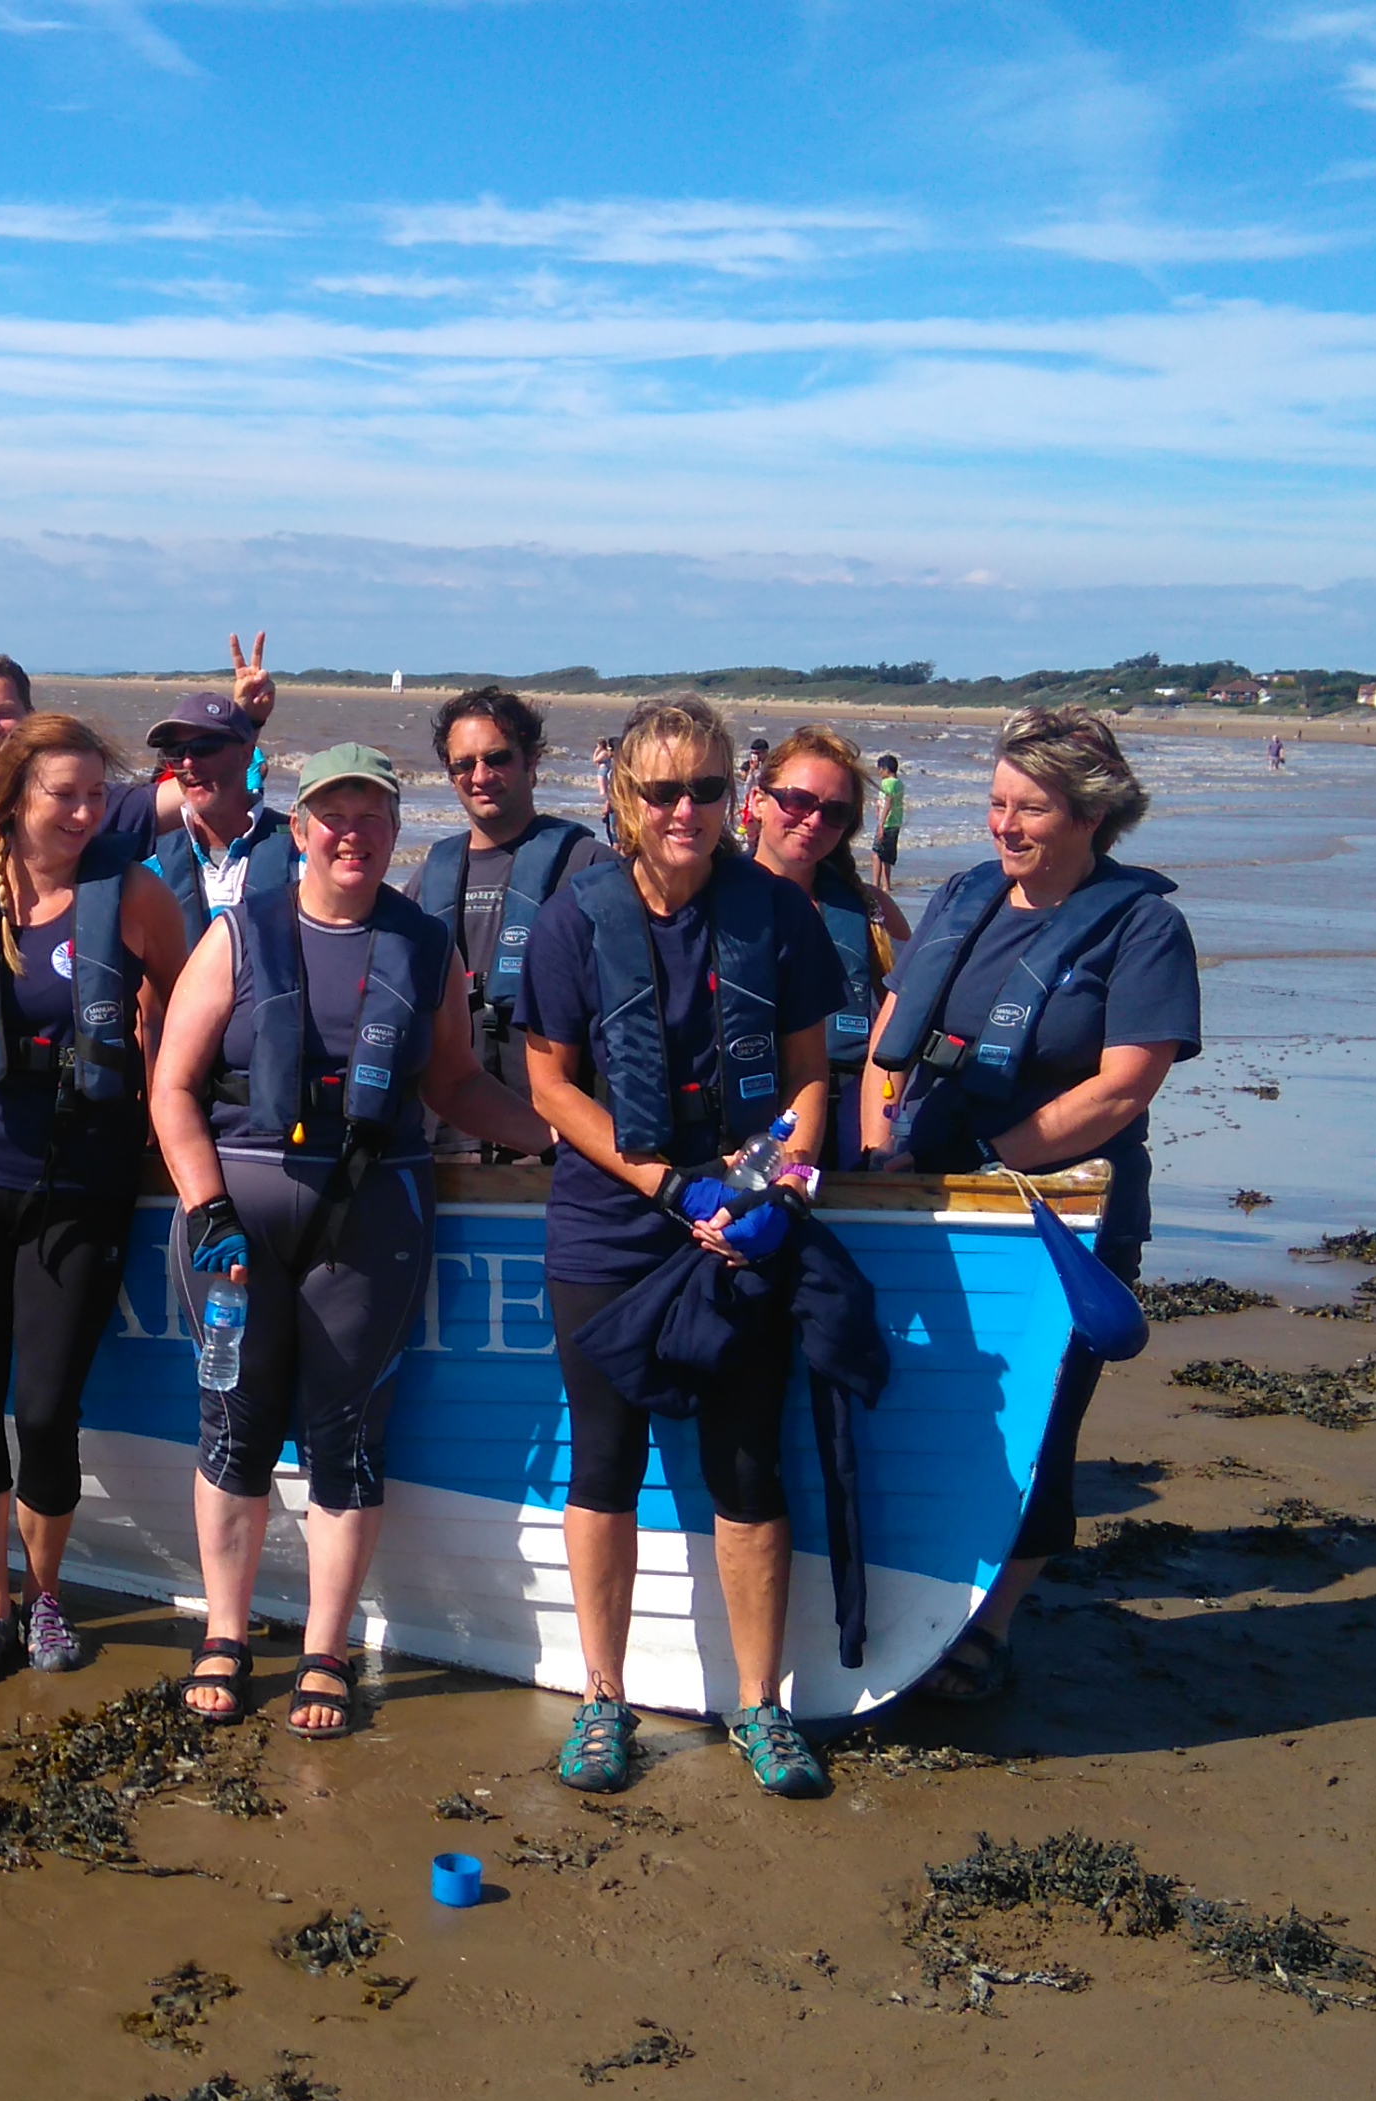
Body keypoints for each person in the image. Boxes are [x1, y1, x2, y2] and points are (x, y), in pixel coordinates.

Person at [150, 744, 552, 1739]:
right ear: (297, 829)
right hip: (232, 1222)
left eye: (370, 814)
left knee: (349, 1439)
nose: (350, 832)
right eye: (331, 813)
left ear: (392, 830)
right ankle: (226, 1633)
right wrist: (206, 1211)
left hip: (370, 1219)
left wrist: (571, 1140)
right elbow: (172, 1088)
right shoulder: (237, 935)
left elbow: (455, 1084)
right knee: (232, 1431)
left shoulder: (424, 947)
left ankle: (325, 1648)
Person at [517, 696, 851, 1800]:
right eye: (661, 790)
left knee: (747, 1464)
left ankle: (759, 1703)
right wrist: (665, 1179)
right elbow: (549, 1083)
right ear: (623, 793)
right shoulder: (575, 919)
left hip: (741, 1221)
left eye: (706, 789)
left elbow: (810, 1075)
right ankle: (602, 1698)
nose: (684, 810)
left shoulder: (778, 916)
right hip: (612, 1221)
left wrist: (781, 1183)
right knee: (602, 1461)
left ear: (733, 794)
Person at [863, 709, 1198, 1703]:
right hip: (920, 1193)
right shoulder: (965, 895)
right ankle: (906, 1595)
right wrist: (880, 1143)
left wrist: (987, 1157)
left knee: (1036, 1423)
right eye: (995, 803)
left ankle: (990, 1625)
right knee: (925, 1403)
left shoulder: (1142, 928)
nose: (1004, 826)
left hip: (1055, 1213)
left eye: (1029, 807)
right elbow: (893, 1022)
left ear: (1089, 812)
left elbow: (1122, 1085)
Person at [0, 715, 190, 1685]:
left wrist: (165, 1121)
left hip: (79, 1184)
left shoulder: (133, 894)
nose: (87, 811)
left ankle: (44, 1591)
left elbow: (187, 1015)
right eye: (65, 794)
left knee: (47, 1405)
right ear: (14, 795)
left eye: (99, 794)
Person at [405, 684, 595, 1138]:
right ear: (449, 776)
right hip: (446, 1145)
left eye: (498, 758)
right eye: (464, 765)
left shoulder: (590, 867)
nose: (481, 775)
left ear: (532, 761)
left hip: (556, 1143)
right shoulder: (429, 875)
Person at [745, 725, 913, 1168]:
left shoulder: (870, 910)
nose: (813, 820)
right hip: (750, 1117)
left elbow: (908, 1025)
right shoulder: (710, 902)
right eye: (798, 801)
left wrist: (888, 1139)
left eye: (834, 812)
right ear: (758, 801)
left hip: (851, 1121)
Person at [0, 653, 166, 881]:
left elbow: (190, 796)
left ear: (31, 720)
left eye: (5, 713)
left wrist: (193, 744)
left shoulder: (91, 804)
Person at [143, 635, 288, 942]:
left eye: (205, 747)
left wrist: (249, 718)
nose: (188, 763)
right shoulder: (151, 869)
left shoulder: (301, 855)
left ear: (247, 754)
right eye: (174, 751)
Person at [870, 752, 907, 892]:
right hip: (896, 821)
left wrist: (881, 823)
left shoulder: (887, 783)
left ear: (886, 769)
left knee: (876, 853)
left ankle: (875, 884)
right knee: (886, 855)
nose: (879, 772)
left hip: (887, 822)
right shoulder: (899, 783)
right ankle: (886, 885)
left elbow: (888, 802)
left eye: (880, 769)